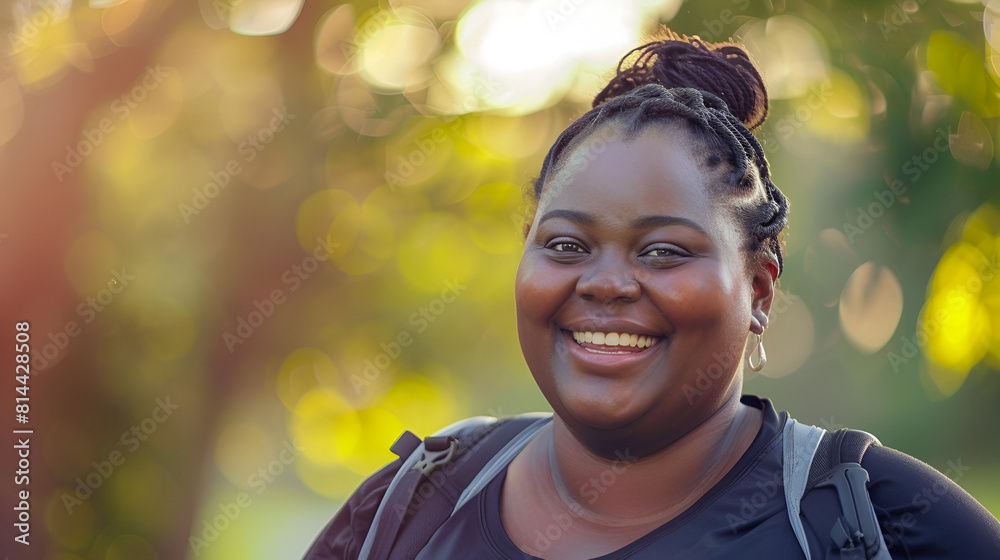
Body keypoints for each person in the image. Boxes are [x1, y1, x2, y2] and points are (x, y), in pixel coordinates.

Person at [303, 31, 1000, 559]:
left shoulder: (880, 522)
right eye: (567, 246)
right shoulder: (412, 507)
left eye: (663, 251)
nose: (605, 283)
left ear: (758, 290)